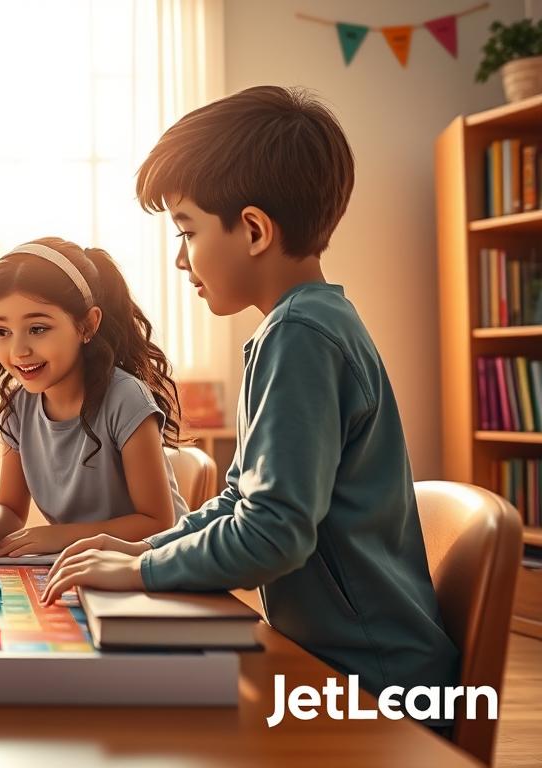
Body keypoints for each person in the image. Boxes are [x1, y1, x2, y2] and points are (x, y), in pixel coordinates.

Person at [42, 85, 458, 699]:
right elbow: (243, 500)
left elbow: (272, 534)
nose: (182, 260)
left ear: (255, 230)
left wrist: (140, 568)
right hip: (345, 662)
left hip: (372, 685)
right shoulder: (303, 325)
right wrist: (150, 546)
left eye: (186, 231)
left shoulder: (299, 335)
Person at [0, 237, 187, 557]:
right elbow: (9, 508)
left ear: (87, 325)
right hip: (92, 567)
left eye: (37, 328)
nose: (19, 350)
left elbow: (157, 523)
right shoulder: (18, 407)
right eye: (2, 331)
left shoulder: (125, 398)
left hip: (159, 568)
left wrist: (60, 537)